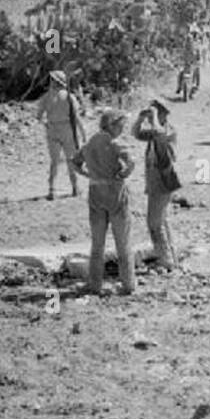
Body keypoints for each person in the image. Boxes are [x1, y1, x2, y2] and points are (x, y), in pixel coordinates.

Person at [70, 109, 136, 295]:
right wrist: (124, 173)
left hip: (96, 193)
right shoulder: (114, 143)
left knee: (97, 243)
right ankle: (128, 284)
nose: (123, 128)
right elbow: (131, 162)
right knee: (122, 241)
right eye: (121, 125)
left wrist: (87, 174)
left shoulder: (90, 143)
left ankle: (95, 284)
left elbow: (75, 163)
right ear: (112, 125)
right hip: (115, 194)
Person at [134, 100, 179, 271]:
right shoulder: (156, 130)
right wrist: (140, 119)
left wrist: (153, 118)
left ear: (163, 114)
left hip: (163, 179)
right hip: (155, 180)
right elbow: (136, 133)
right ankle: (170, 256)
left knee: (154, 222)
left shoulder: (168, 130)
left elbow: (160, 134)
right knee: (161, 220)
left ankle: (165, 259)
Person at [35, 70, 82, 200]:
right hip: (67, 129)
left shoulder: (45, 97)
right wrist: (83, 133)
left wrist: (47, 124)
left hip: (52, 130)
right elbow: (76, 118)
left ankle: (52, 190)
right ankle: (75, 187)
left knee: (54, 162)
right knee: (70, 160)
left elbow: (39, 117)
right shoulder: (69, 97)